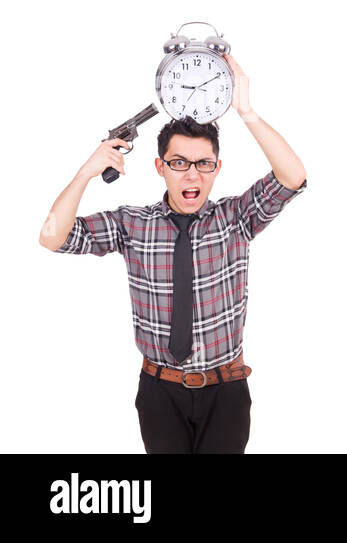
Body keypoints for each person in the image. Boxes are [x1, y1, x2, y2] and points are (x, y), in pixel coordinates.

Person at [38, 55, 307, 453]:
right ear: (160, 167)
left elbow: (293, 177)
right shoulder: (133, 224)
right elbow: (53, 237)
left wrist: (246, 111)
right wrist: (84, 174)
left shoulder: (236, 217)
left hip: (226, 390)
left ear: (217, 168)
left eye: (203, 164)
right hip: (159, 392)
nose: (192, 175)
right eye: (179, 163)